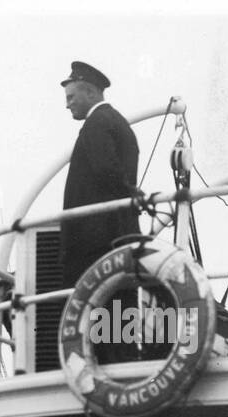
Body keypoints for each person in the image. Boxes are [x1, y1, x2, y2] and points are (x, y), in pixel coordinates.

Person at [59, 61, 141, 288]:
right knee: (119, 315)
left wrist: (130, 193)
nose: (67, 105)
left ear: (91, 92)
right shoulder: (118, 123)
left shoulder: (97, 123)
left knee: (97, 316)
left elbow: (107, 171)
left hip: (95, 246)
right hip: (117, 239)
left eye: (71, 97)